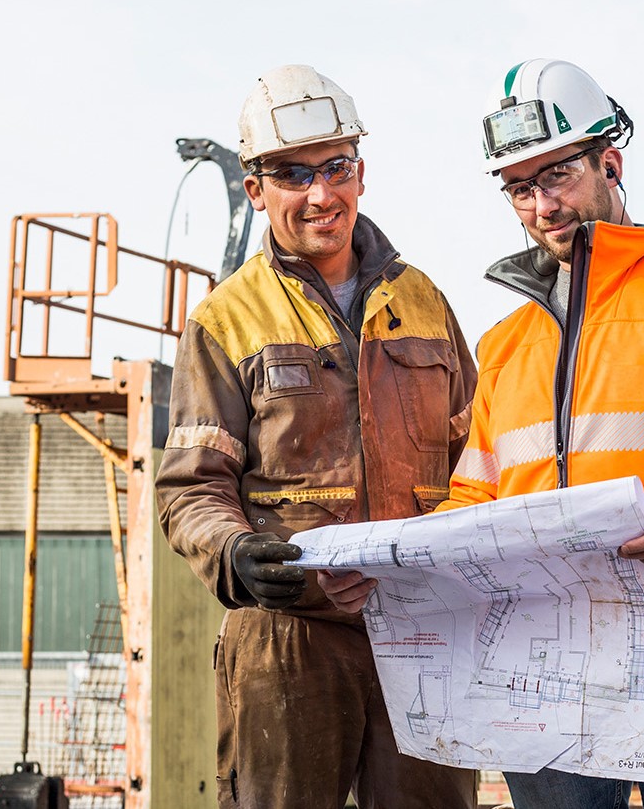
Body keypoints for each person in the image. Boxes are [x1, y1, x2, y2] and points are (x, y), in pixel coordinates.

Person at [320, 58, 644, 808]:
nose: (542, 204)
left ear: (609, 164)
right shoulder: (506, 344)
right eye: (520, 187)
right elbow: (475, 502)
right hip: (537, 666)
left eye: (558, 176)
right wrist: (393, 571)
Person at [155, 64, 479, 809]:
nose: (320, 194)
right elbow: (193, 488)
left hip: (424, 631)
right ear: (254, 189)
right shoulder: (226, 320)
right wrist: (237, 554)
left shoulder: (425, 303)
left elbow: (479, 458)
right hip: (287, 639)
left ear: (361, 172)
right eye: (292, 175)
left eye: (335, 168)